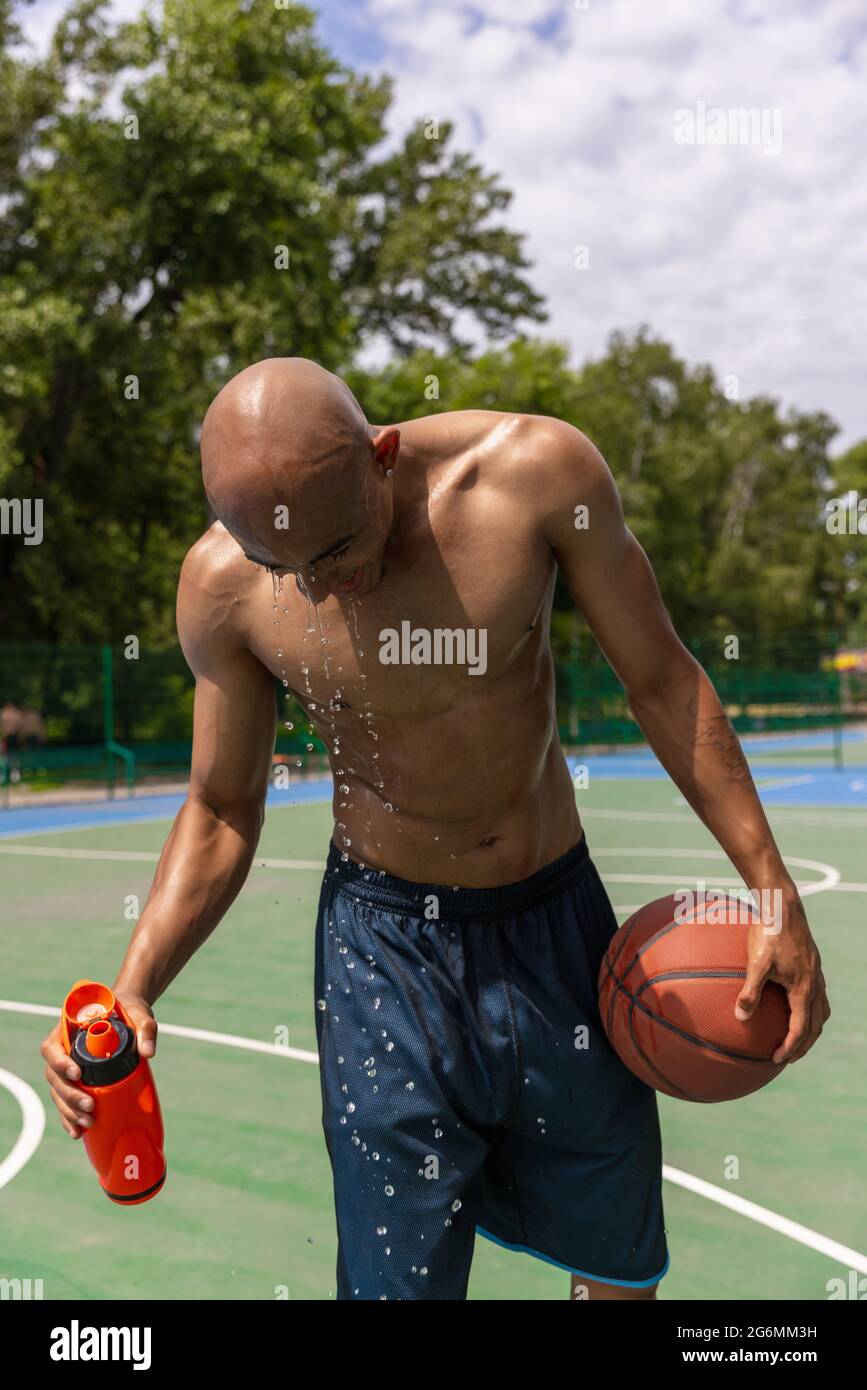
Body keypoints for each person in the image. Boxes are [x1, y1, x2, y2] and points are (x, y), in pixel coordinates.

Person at [41, 357, 830, 1301]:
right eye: (281, 567)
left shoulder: (534, 475)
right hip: (381, 959)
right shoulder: (223, 586)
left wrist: (772, 893)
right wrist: (133, 987)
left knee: (615, 1274)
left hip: (554, 928)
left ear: (382, 456)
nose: (318, 590)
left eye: (333, 553)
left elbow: (660, 681)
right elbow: (220, 806)